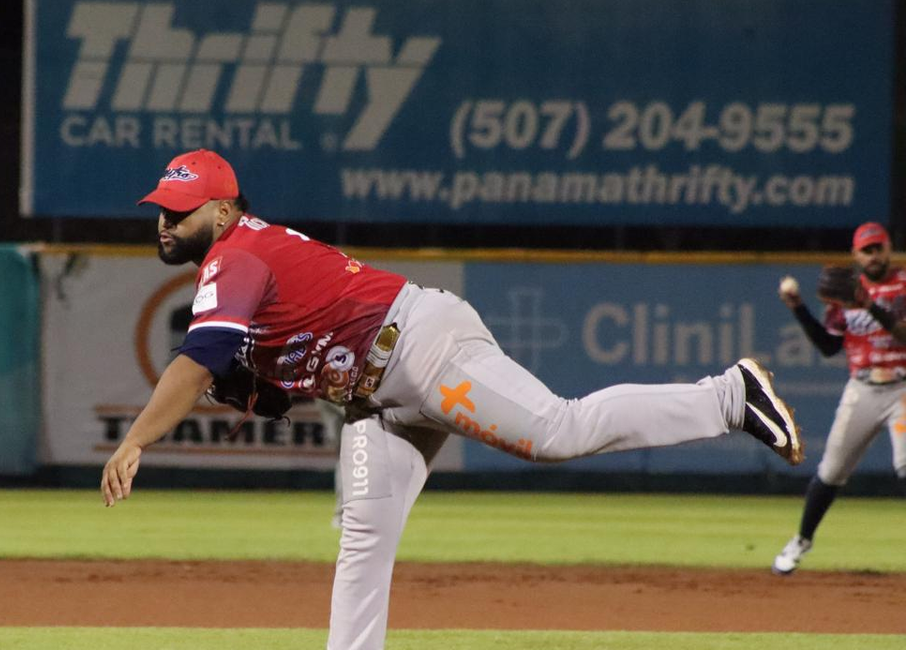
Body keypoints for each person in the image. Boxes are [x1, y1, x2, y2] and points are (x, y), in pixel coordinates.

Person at [101, 149, 803, 650]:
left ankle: (728, 396)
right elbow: (274, 390)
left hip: (422, 349)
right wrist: (259, 392)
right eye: (160, 211)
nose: (164, 223)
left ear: (222, 210)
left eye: (179, 211)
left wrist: (137, 439)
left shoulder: (236, 257)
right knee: (364, 539)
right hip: (377, 399)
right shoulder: (240, 266)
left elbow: (198, 362)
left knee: (557, 431)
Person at [771, 221, 906, 576]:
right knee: (831, 471)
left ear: (889, 248)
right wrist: (798, 307)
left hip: (902, 388)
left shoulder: (903, 284)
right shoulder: (845, 292)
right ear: (856, 255)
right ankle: (801, 540)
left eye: (879, 247)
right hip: (861, 389)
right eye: (867, 249)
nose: (874, 255)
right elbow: (830, 346)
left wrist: (869, 305)